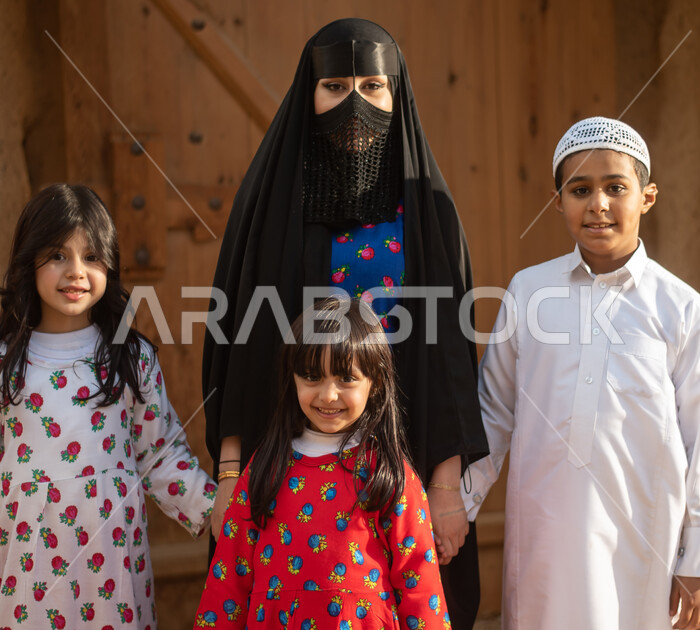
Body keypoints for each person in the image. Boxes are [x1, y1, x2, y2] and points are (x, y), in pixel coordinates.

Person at [202, 17, 487, 628]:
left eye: (371, 86)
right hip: (289, 466)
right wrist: (230, 474)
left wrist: (444, 488)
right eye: (334, 86)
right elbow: (243, 350)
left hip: (399, 468)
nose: (353, 103)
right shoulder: (271, 204)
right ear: (309, 93)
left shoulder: (429, 213)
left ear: (396, 94)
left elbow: (448, 363)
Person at [461, 117, 700, 630]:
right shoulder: (528, 291)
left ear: (647, 197)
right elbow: (493, 412)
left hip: (641, 535)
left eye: (615, 188)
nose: (598, 204)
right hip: (545, 534)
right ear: (558, 200)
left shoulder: (681, 308)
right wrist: (459, 505)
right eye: (580, 189)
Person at [0, 184, 215, 630]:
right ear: (29, 262)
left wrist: (219, 510)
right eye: (58, 255)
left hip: (112, 570)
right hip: (24, 577)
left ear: (109, 265)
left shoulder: (129, 358)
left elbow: (161, 454)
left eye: (91, 257)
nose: (76, 271)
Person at [195, 298, 447, 629]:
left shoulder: (388, 474)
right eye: (312, 377)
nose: (328, 395)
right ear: (292, 379)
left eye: (346, 379)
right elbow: (228, 577)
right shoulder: (265, 467)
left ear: (375, 383)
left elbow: (420, 585)